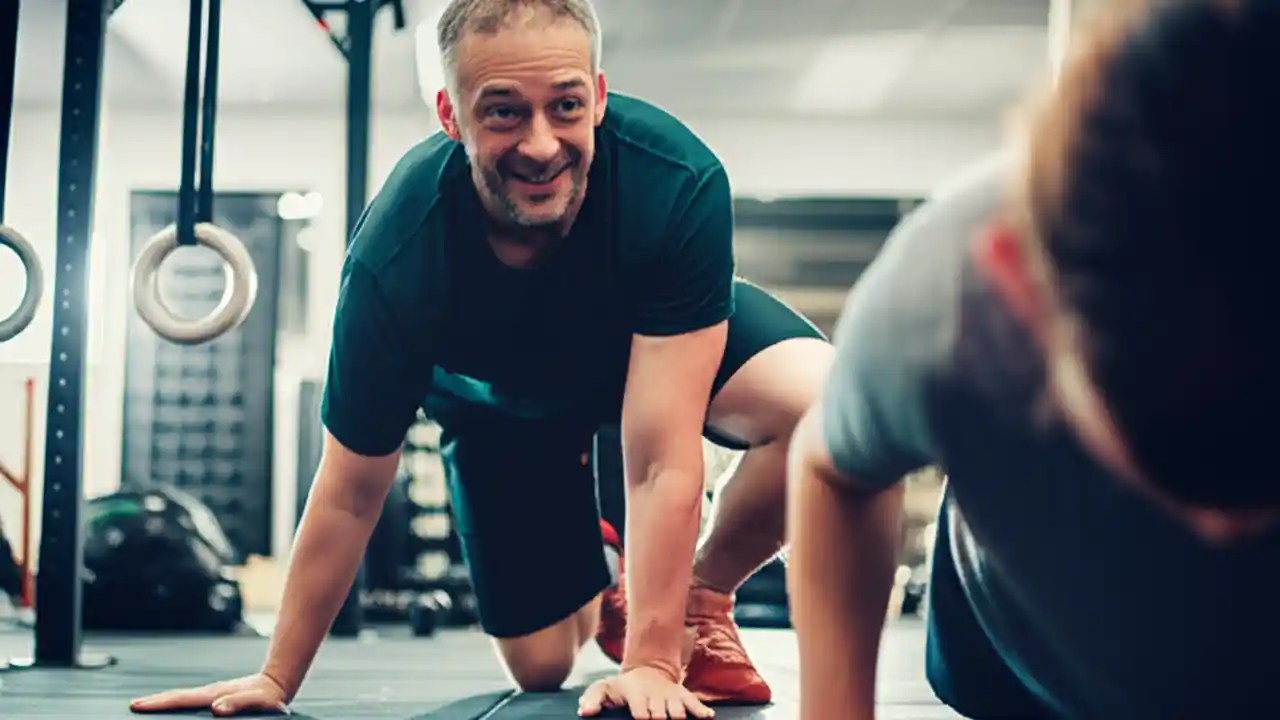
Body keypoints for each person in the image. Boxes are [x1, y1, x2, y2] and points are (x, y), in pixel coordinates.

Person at [130, 0, 832, 718]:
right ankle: (607, 564)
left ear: (598, 96)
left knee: (831, 409)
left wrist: (653, 661)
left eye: (565, 106)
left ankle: (697, 594)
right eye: (502, 113)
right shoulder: (398, 254)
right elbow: (349, 489)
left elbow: (657, 459)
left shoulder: (674, 179)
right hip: (504, 412)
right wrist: (275, 679)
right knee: (543, 667)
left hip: (653, 350)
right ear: (450, 115)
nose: (540, 144)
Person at [786, 0, 1280, 718]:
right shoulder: (947, 297)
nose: (1221, 531)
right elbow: (832, 468)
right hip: (1022, 674)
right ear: (1019, 283)